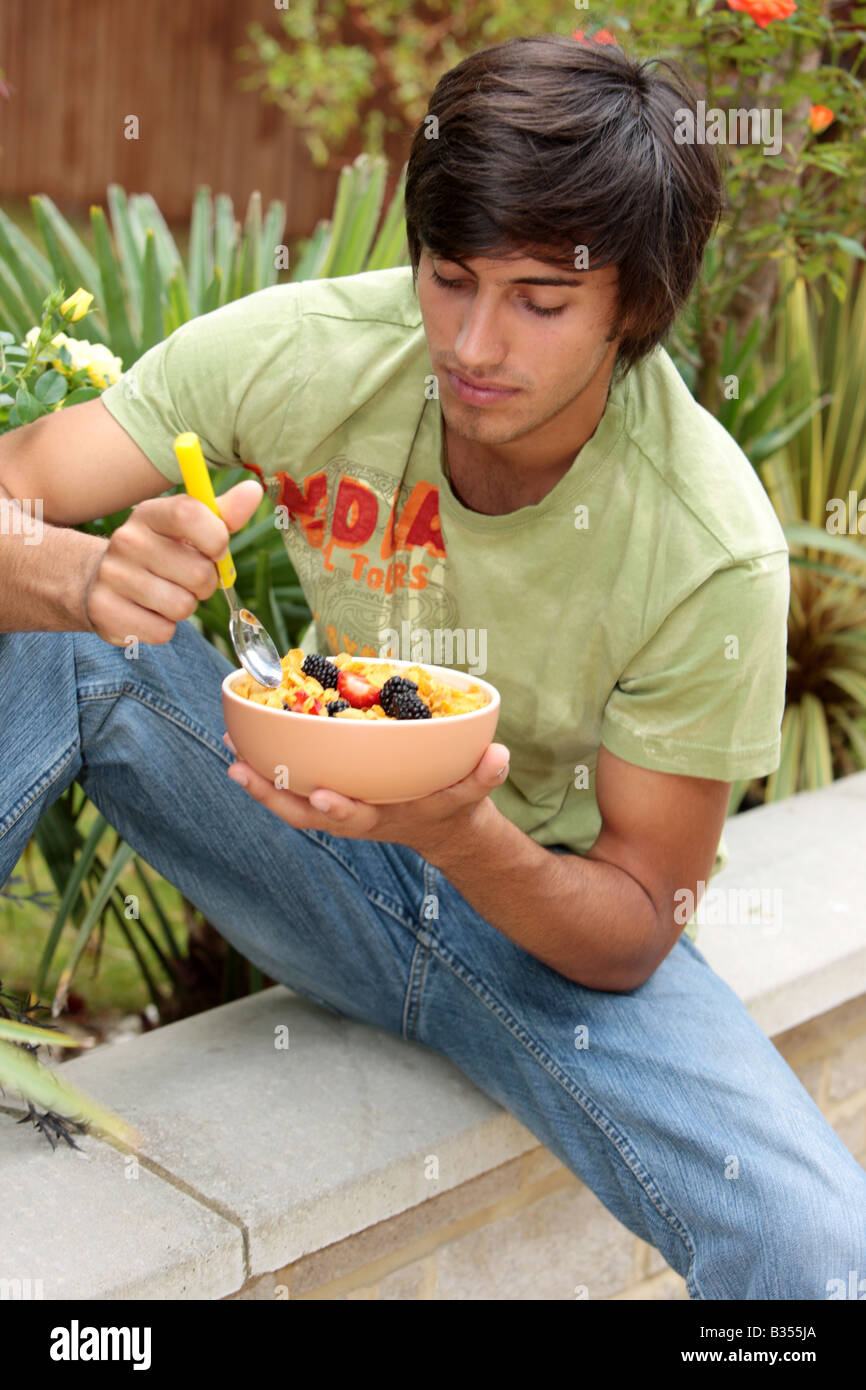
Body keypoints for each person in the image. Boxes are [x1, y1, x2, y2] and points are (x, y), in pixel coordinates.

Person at [1, 33, 863, 1299]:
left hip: (545, 926)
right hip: (304, 848)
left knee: (816, 1254)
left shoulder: (706, 545)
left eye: (539, 301)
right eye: (449, 277)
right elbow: (18, 485)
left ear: (632, 305)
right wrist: (78, 579)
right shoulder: (311, 353)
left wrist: (461, 836)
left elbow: (633, 926)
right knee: (45, 635)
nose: (471, 341)